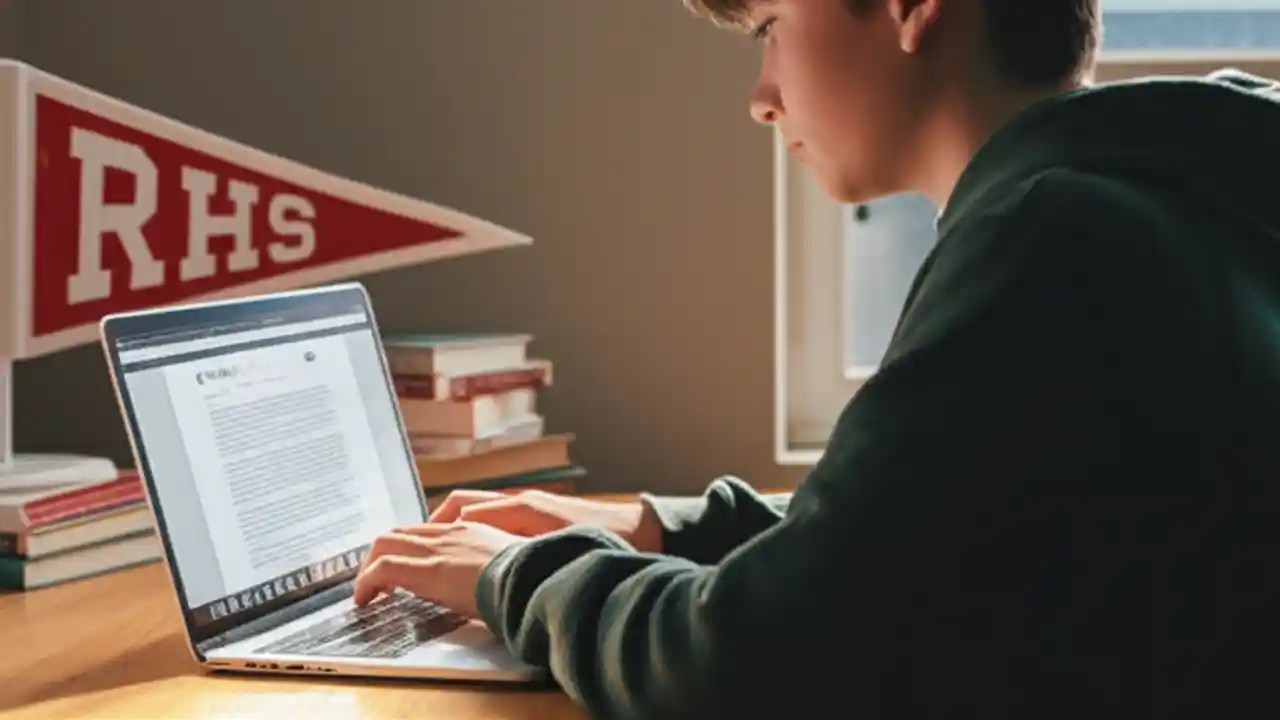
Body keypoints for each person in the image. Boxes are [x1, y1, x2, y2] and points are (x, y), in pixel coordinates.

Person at [355, 1, 1280, 717]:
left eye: (770, 28)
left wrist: (512, 573)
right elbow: (933, 522)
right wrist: (662, 527)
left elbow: (749, 668)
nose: (761, 95)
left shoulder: (1052, 241)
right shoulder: (1183, 185)